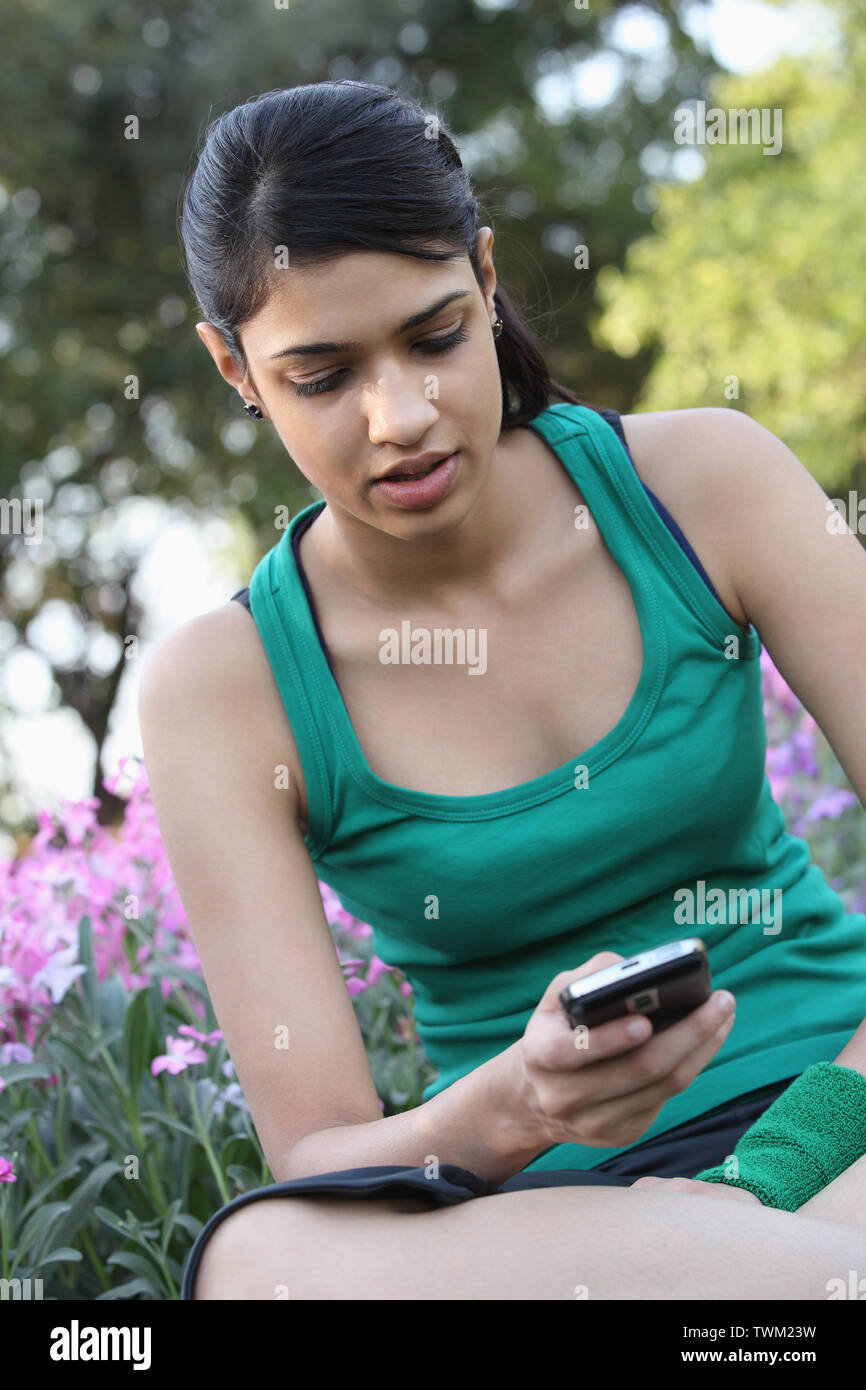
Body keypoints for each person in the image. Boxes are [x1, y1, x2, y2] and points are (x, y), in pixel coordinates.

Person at [139, 80, 866, 1300]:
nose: (402, 418)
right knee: (260, 1263)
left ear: (484, 280)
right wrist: (514, 1104)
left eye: (432, 337)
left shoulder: (700, 483)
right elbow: (315, 1152)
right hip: (565, 1230)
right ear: (234, 368)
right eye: (321, 375)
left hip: (837, 1112)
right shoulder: (225, 686)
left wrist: (780, 1182)